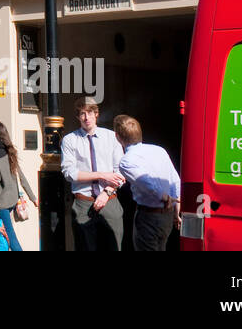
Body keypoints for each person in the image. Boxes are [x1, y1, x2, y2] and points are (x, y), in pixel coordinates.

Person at [61, 96, 126, 251]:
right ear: (78, 117)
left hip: (110, 200)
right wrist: (101, 175)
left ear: (96, 114)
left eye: (90, 113)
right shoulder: (70, 140)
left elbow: (121, 172)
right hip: (84, 203)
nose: (86, 117)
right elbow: (69, 173)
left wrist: (106, 193)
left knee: (114, 246)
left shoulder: (112, 137)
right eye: (82, 114)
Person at [114, 114, 181, 251]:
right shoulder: (159, 150)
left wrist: (164, 197)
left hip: (149, 217)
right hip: (167, 216)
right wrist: (176, 211)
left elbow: (146, 183)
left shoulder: (126, 161)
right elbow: (175, 180)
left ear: (118, 137)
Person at [0, 121, 38, 251]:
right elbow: (21, 177)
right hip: (12, 200)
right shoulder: (8, 151)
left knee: (9, 236)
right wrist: (33, 198)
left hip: (1, 203)